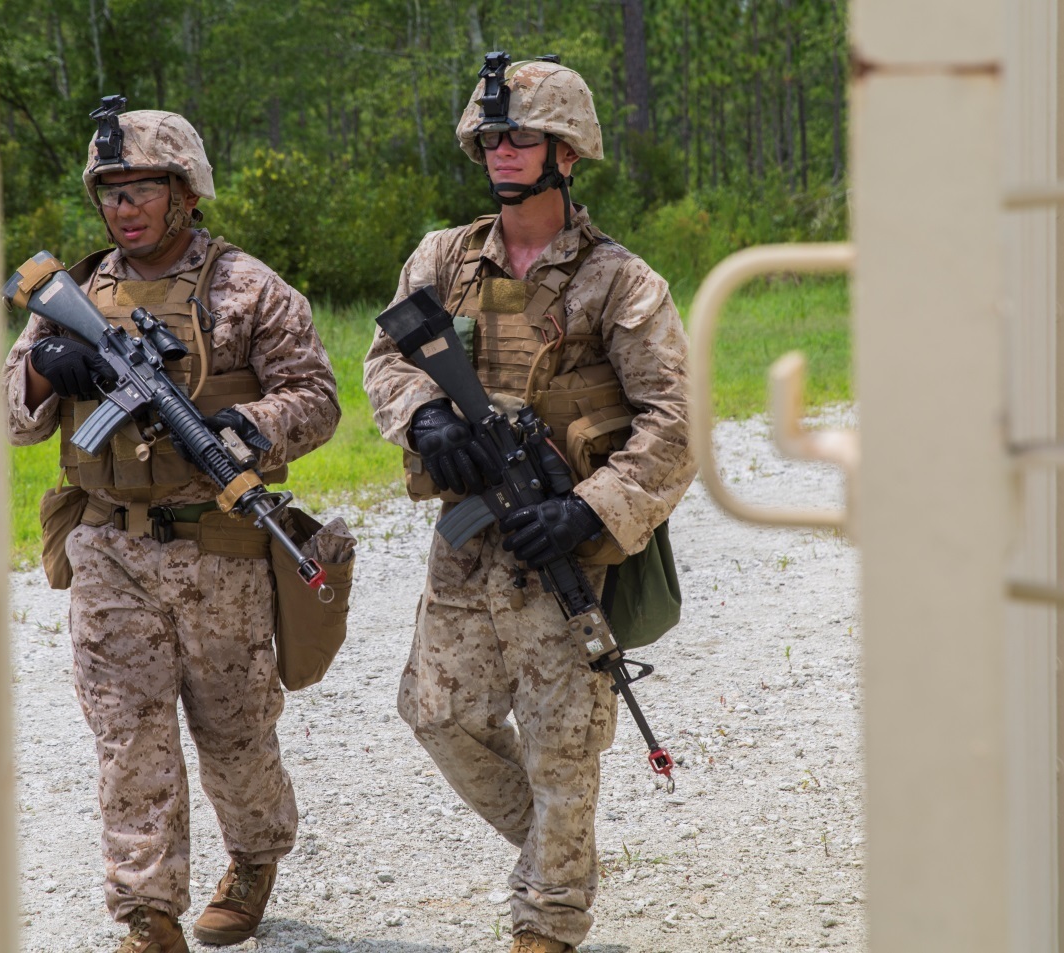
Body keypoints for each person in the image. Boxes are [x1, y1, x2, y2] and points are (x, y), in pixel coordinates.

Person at [363, 56, 695, 953]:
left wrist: (589, 512)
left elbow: (672, 425)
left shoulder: (621, 283)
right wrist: (425, 419)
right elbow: (386, 357)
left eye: (522, 138)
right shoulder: (442, 258)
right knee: (437, 715)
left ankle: (547, 918)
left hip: (564, 549)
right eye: (491, 138)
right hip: (467, 540)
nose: (501, 153)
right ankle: (561, 850)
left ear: (568, 153)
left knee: (561, 746)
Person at [3, 108, 340, 953]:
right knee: (127, 732)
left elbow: (318, 397)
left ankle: (254, 858)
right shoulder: (71, 295)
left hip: (217, 546)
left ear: (185, 192)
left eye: (142, 187)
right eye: (110, 191)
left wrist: (250, 428)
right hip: (108, 543)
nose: (125, 206)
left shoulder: (249, 288)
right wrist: (47, 367)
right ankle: (147, 913)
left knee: (234, 727)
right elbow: (13, 417)